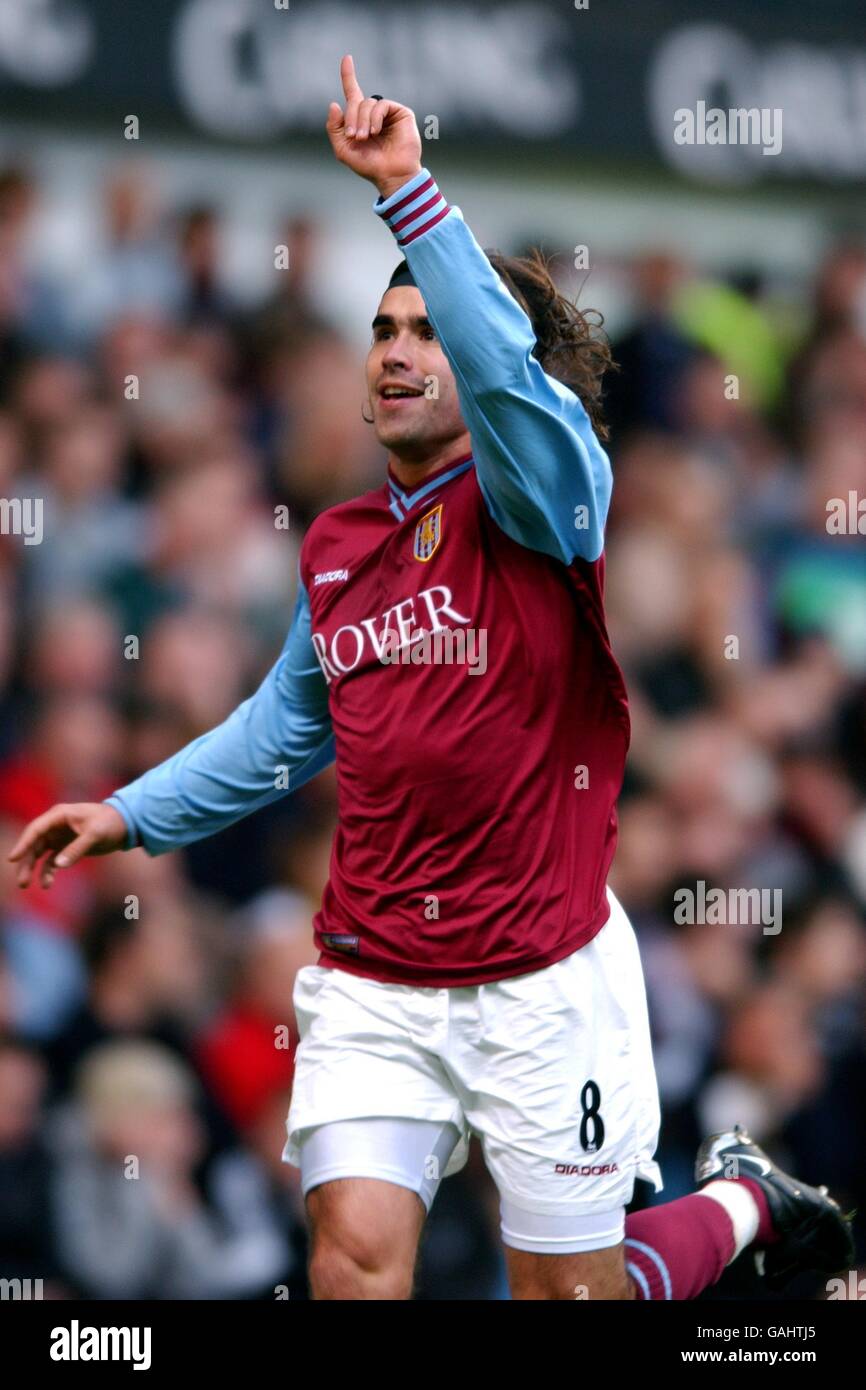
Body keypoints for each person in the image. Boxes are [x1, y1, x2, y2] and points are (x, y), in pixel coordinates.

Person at [8, 56, 854, 1302]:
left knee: (572, 1295)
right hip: (375, 972)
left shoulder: (546, 502)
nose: (397, 353)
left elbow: (512, 382)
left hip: (543, 972)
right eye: (381, 331)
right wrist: (130, 810)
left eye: (426, 332)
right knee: (352, 1265)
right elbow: (279, 734)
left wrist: (408, 197)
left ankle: (742, 1201)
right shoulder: (340, 546)